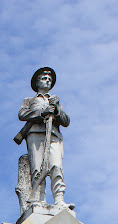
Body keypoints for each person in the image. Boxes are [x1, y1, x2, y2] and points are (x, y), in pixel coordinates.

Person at [14, 67, 71, 209]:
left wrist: (56, 109)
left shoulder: (55, 100)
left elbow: (66, 121)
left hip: (54, 135)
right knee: (37, 168)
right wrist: (42, 112)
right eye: (44, 78)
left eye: (50, 79)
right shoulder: (29, 100)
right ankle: (38, 200)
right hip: (35, 134)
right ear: (37, 82)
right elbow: (22, 115)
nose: (48, 81)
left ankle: (59, 199)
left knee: (56, 167)